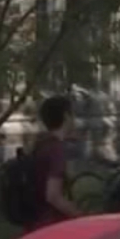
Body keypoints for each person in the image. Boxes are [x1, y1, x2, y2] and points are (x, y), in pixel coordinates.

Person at [27, 94, 84, 231]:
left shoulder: (40, 143)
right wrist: (80, 216)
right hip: (50, 226)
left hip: (34, 223)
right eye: (72, 114)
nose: (74, 119)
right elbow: (53, 196)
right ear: (66, 116)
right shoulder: (56, 149)